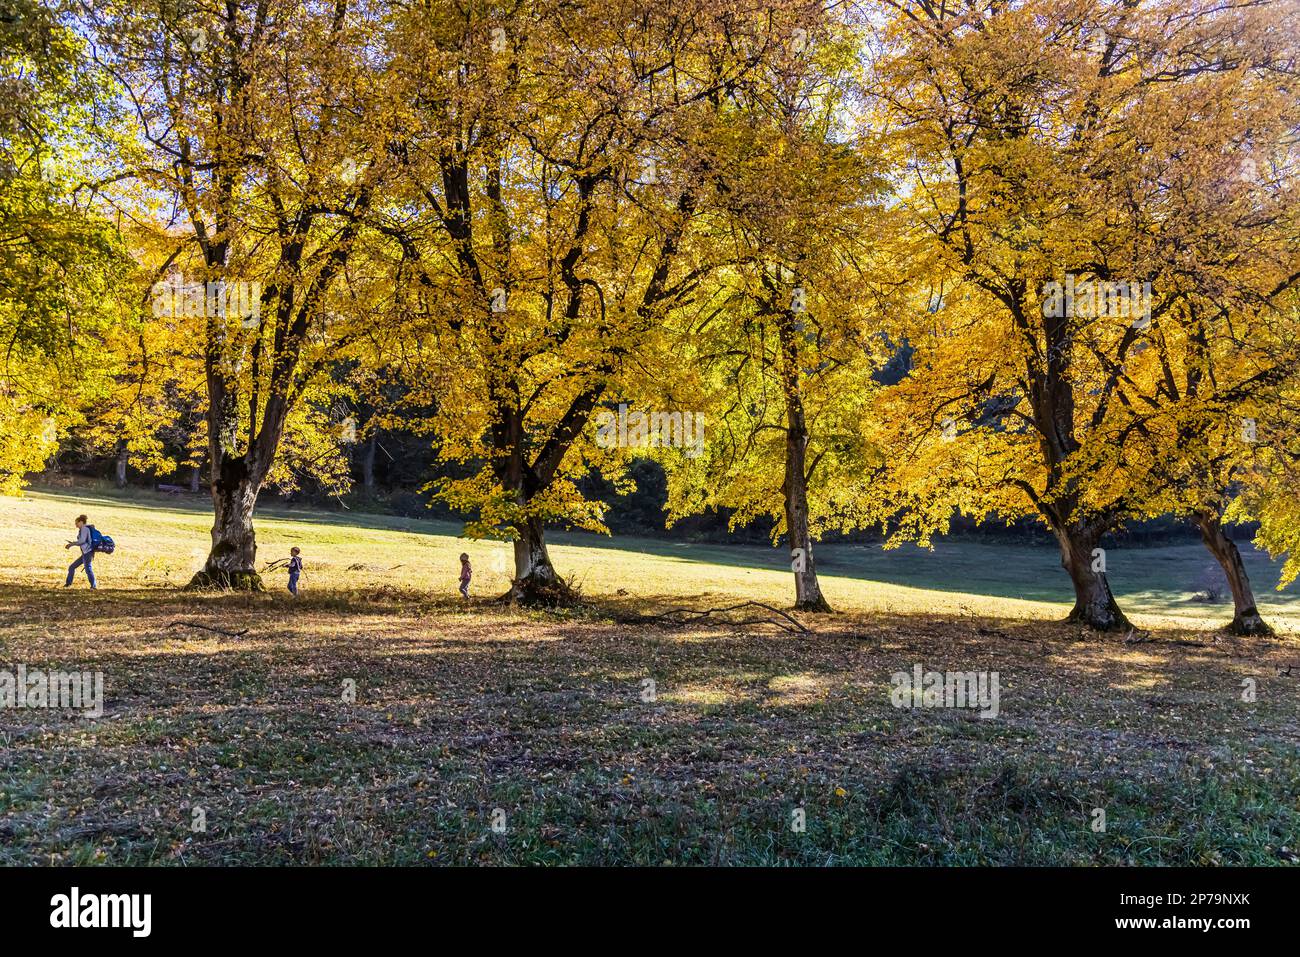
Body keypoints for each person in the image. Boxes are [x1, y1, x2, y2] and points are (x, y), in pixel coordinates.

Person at [64, 514, 97, 589]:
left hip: (88, 553)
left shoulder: (84, 529)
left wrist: (71, 544)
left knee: (88, 569)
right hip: (85, 553)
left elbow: (81, 541)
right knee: (72, 567)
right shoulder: (84, 528)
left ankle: (93, 585)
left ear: (81, 522)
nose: (76, 525)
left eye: (76, 523)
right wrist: (73, 543)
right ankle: (68, 584)